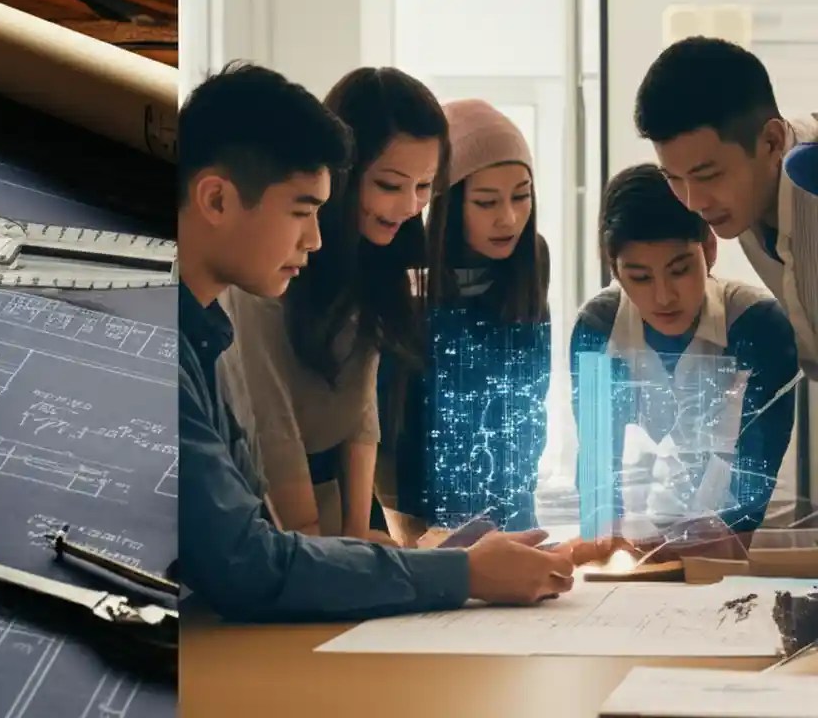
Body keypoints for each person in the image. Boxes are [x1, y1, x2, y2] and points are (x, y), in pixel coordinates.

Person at [177, 61, 608, 623]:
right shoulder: (220, 320)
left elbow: (357, 413)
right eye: (304, 211)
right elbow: (252, 552)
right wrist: (462, 571)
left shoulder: (213, 324)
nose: (315, 236)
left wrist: (353, 541)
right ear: (215, 201)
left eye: (423, 188)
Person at [215, 66, 448, 542]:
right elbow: (270, 421)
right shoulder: (272, 258)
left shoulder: (379, 257)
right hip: (265, 500)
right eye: (389, 185)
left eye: (423, 186)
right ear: (342, 172)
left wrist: (358, 531)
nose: (409, 206)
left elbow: (362, 406)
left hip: (331, 491)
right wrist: (318, 541)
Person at [570, 163, 799, 544]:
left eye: (679, 270)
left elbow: (756, 471)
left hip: (755, 539)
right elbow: (598, 464)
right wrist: (608, 540)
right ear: (615, 270)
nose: (663, 297)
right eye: (640, 277)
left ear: (708, 249)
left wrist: (714, 540)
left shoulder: (758, 324)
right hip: (643, 538)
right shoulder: (598, 328)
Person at [388, 99, 551, 536]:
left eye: (521, 196)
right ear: (449, 202)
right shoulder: (408, 270)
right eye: (486, 202)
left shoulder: (532, 262)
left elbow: (531, 401)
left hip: (513, 508)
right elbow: (395, 420)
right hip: (423, 516)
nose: (509, 218)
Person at [635, 35, 818, 378]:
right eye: (674, 178)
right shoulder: (748, 195)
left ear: (771, 142)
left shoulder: (808, 178)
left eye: (709, 175)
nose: (693, 202)